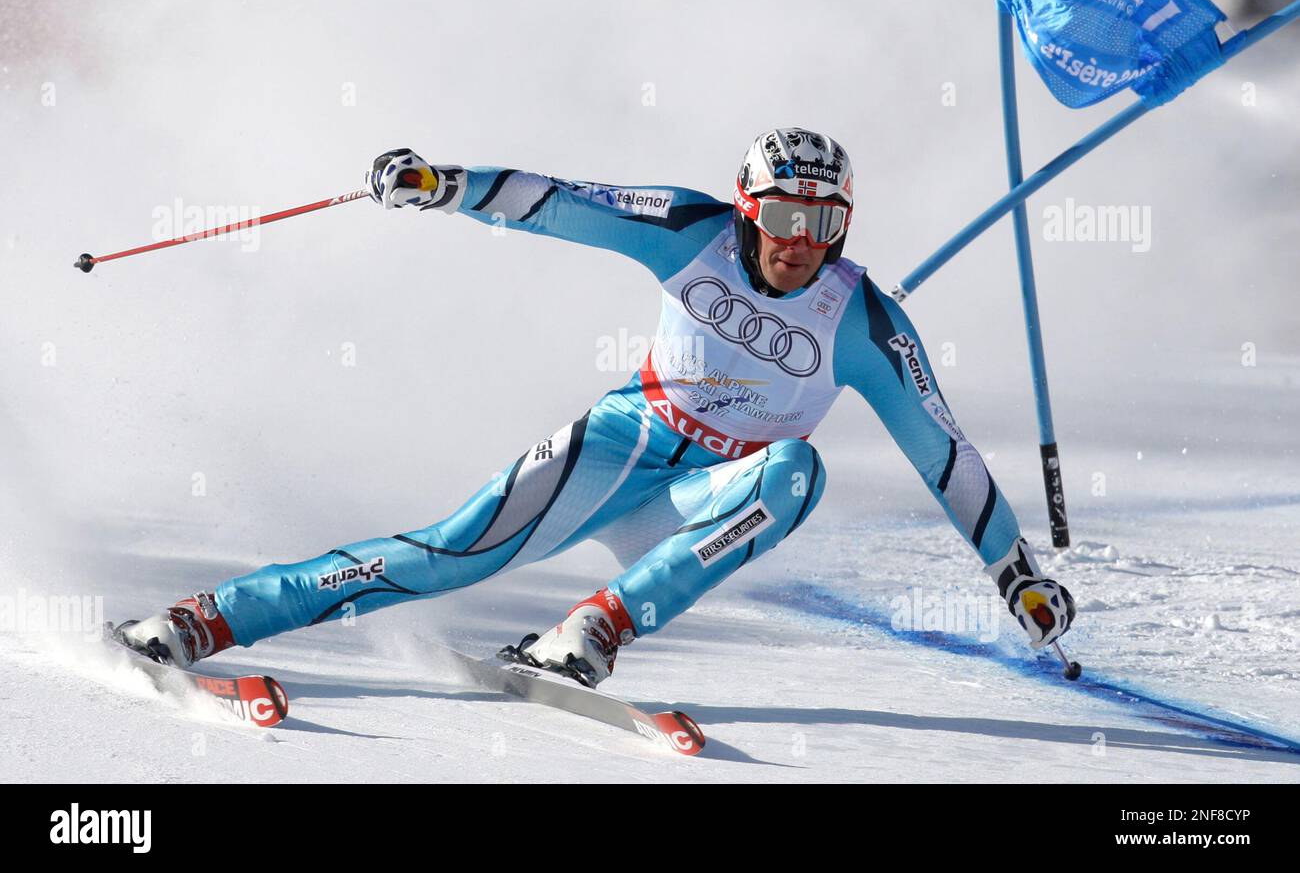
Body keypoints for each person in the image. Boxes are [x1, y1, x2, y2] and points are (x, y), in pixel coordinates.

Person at [117, 128, 1075, 686]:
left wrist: (1015, 575)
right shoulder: (690, 229)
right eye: (786, 216)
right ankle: (210, 617)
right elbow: (559, 202)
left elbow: (946, 455)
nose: (801, 242)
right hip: (623, 447)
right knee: (447, 554)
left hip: (709, 500)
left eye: (824, 222)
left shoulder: (863, 319)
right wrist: (444, 185)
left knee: (798, 471)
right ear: (749, 207)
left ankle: (597, 628)